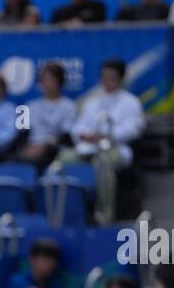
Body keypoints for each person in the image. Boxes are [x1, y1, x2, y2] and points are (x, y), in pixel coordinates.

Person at [55, 59, 145, 223]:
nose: (107, 81)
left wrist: (105, 135)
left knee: (102, 162)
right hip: (88, 148)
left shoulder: (131, 102)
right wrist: (84, 136)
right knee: (63, 159)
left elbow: (134, 129)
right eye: (104, 77)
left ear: (120, 79)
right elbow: (77, 127)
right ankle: (65, 211)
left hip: (117, 149)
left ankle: (104, 214)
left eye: (112, 77)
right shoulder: (92, 102)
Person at [19, 62, 77, 169]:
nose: (45, 83)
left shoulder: (69, 106)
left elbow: (66, 136)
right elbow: (21, 133)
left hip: (53, 150)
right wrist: (26, 147)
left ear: (60, 82)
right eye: (42, 79)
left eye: (49, 79)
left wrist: (44, 147)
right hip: (30, 148)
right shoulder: (28, 106)